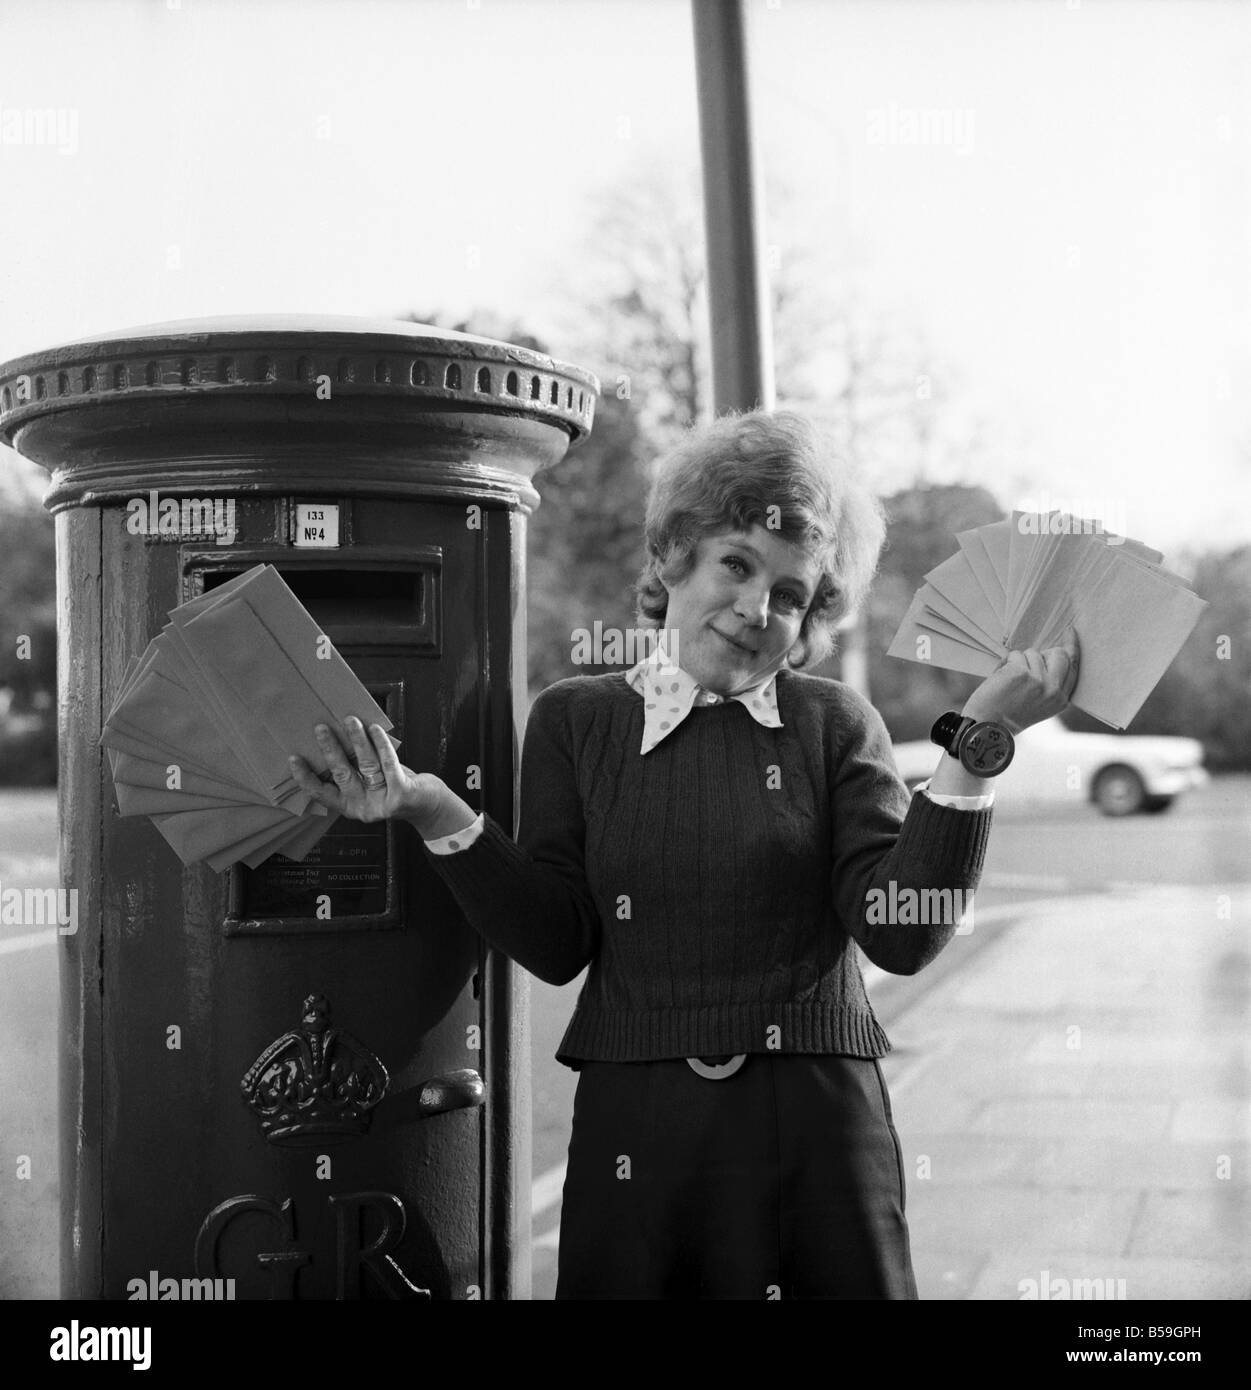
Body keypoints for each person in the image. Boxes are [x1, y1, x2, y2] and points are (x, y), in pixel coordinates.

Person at [288, 408, 1079, 1300]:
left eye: (789, 594)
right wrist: (433, 809)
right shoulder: (577, 721)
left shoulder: (831, 724)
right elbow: (556, 942)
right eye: (735, 565)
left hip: (818, 1127)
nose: (755, 610)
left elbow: (902, 934)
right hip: (639, 1130)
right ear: (673, 560)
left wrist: (977, 742)